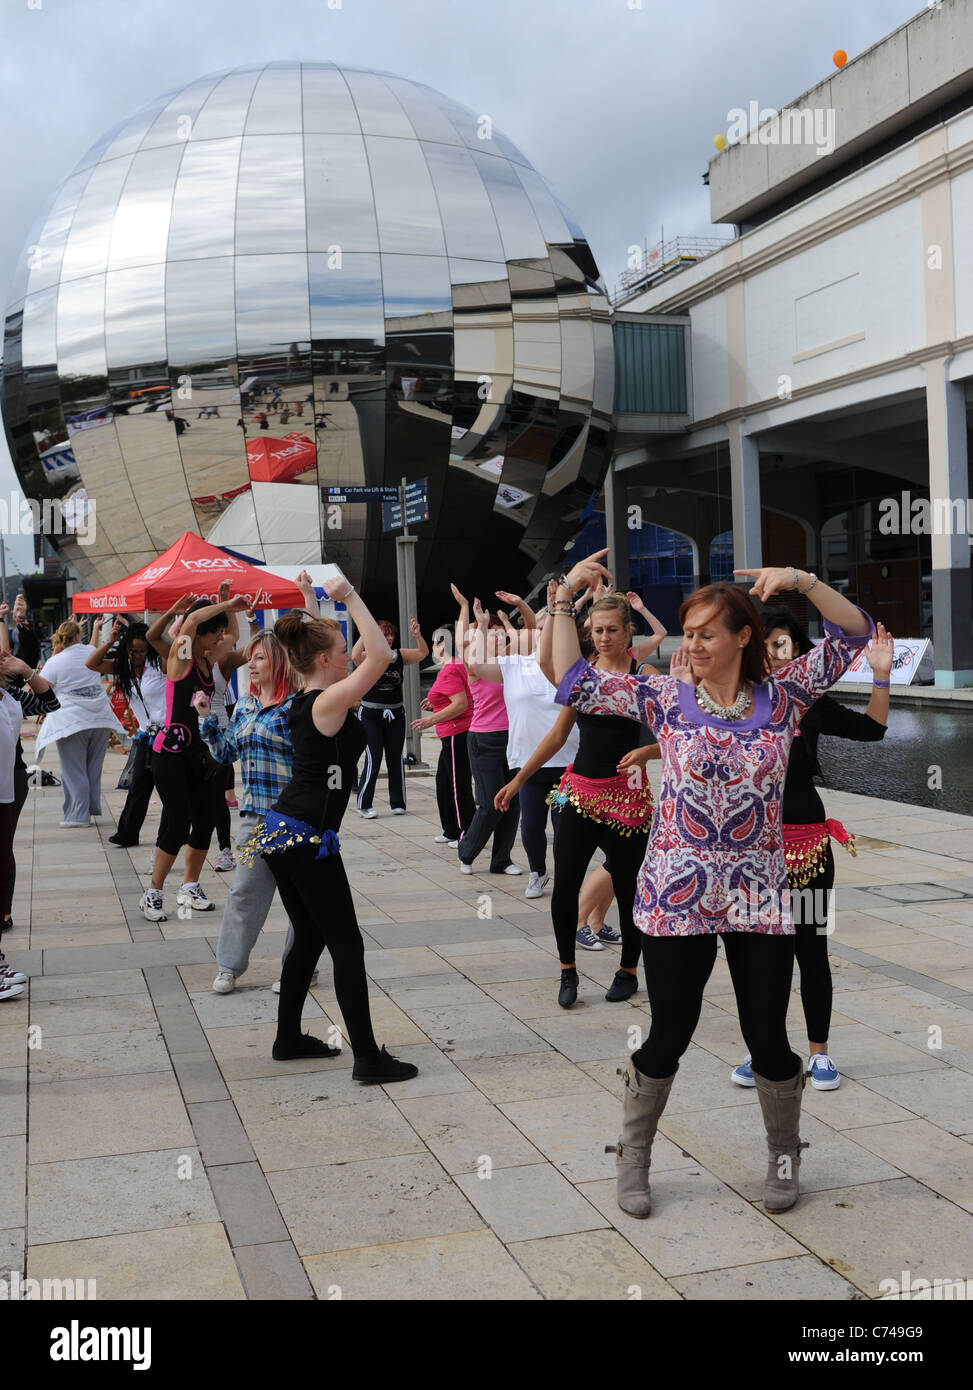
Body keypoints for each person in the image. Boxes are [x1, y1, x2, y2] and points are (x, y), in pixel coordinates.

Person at [549, 550, 874, 1218]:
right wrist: (563, 604)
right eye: (686, 632)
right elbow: (571, 679)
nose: (690, 643)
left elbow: (855, 635)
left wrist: (805, 581)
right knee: (669, 1031)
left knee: (768, 1039)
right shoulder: (664, 699)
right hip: (676, 894)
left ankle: (784, 1158)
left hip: (758, 892)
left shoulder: (782, 698)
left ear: (741, 637)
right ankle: (632, 1158)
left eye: (703, 632)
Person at [248, 579, 418, 1082]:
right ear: (324, 661)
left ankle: (287, 1039)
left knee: (309, 937)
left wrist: (311, 605)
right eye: (344, 651)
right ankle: (367, 1057)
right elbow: (384, 654)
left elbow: (320, 642)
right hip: (303, 837)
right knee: (347, 944)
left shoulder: (313, 697)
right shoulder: (325, 704)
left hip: (286, 832)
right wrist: (347, 598)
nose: (352, 654)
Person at [729, 609, 893, 1093]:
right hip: (752, 849)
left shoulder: (810, 702)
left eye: (787, 645)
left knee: (809, 950)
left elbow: (872, 730)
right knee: (761, 955)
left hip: (805, 844)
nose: (778, 654)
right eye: (768, 645)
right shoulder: (736, 701)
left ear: (800, 653)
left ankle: (819, 1053)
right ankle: (765, 1049)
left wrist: (880, 676)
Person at [506, 591, 658, 1004]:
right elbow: (557, 736)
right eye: (597, 630)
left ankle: (628, 969)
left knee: (630, 889)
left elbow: (681, 733)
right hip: (581, 795)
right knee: (565, 884)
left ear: (628, 631)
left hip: (627, 801)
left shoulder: (644, 675)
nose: (604, 637)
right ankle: (567, 972)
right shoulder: (583, 676)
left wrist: (648, 751)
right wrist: (520, 779)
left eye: (612, 630)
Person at [197, 632, 304, 994]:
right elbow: (226, 754)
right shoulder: (244, 704)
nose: (251, 665)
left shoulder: (298, 706)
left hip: (293, 816)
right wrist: (207, 721)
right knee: (243, 893)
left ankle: (299, 968)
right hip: (254, 816)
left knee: (300, 899)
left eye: (259, 658)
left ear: (279, 661)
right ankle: (229, 967)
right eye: (250, 658)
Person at [140, 592, 248, 922]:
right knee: (178, 821)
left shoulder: (209, 662)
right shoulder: (182, 657)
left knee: (205, 821)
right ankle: (153, 892)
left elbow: (234, 637)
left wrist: (231, 606)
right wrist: (227, 605)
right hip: (170, 753)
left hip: (202, 753)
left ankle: (189, 886)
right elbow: (189, 622)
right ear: (199, 634)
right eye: (212, 631)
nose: (220, 637)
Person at [467, 586, 580, 900]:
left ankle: (567, 880)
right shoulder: (514, 665)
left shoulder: (572, 668)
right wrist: (481, 626)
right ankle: (538, 871)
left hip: (566, 766)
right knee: (530, 827)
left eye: (552, 628)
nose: (545, 633)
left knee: (562, 826)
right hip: (527, 768)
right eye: (541, 628)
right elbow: (474, 666)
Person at [451, 585, 522, 877]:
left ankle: (501, 860)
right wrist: (479, 624)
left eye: (500, 635)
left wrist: (507, 622)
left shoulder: (510, 664)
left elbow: (526, 638)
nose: (498, 638)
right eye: (492, 637)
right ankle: (466, 852)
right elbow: (471, 654)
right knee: (490, 803)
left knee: (512, 803)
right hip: (484, 739)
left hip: (513, 739)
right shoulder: (475, 666)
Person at [0, 650, 59, 999]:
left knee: (2, 866)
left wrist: (25, 670)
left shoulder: (9, 696)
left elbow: (50, 702)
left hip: (7, 791)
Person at [34, 619, 125, 827]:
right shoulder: (91, 651)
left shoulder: (55, 662)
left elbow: (43, 688)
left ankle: (78, 815)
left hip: (71, 720)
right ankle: (91, 807)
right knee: (93, 768)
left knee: (74, 769)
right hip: (100, 718)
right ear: (78, 636)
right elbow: (95, 651)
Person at [85, 619, 167, 847]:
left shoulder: (160, 664)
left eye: (142, 651)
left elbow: (173, 653)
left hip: (167, 734)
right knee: (138, 785)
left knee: (169, 787)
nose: (137, 655)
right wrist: (109, 642)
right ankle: (127, 833)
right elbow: (92, 663)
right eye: (132, 650)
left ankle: (174, 832)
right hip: (144, 736)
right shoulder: (124, 666)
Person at [353, 616, 428, 818]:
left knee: (395, 758)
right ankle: (364, 803)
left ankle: (398, 802)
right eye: (383, 634)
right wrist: (365, 632)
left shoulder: (399, 655)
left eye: (390, 634)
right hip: (370, 713)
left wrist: (417, 635)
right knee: (373, 757)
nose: (388, 638)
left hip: (395, 712)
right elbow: (355, 656)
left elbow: (422, 653)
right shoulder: (369, 656)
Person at [0, 594, 42, 932]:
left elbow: (49, 700)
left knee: (3, 844)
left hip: (10, 777)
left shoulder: (11, 698)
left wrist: (16, 624)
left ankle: (4, 911)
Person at [412, 631, 474, 848]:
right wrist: (434, 703)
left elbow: (460, 704)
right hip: (450, 733)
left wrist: (431, 720)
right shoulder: (453, 667)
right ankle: (451, 829)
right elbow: (456, 696)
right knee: (443, 782)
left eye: (433, 643)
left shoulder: (452, 669)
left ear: (441, 646)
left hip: (457, 732)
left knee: (458, 784)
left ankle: (466, 832)